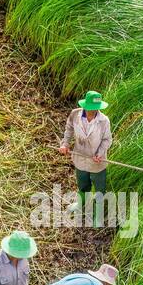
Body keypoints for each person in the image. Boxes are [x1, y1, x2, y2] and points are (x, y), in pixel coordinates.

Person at [59, 90, 113, 227]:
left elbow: (107, 140)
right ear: (85, 105)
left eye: (96, 109)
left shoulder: (103, 121)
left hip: (97, 163)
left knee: (99, 190)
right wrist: (65, 144)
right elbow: (69, 129)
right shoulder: (75, 114)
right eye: (91, 108)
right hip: (80, 158)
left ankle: (98, 216)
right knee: (83, 185)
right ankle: (81, 204)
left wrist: (100, 153)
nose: (93, 111)